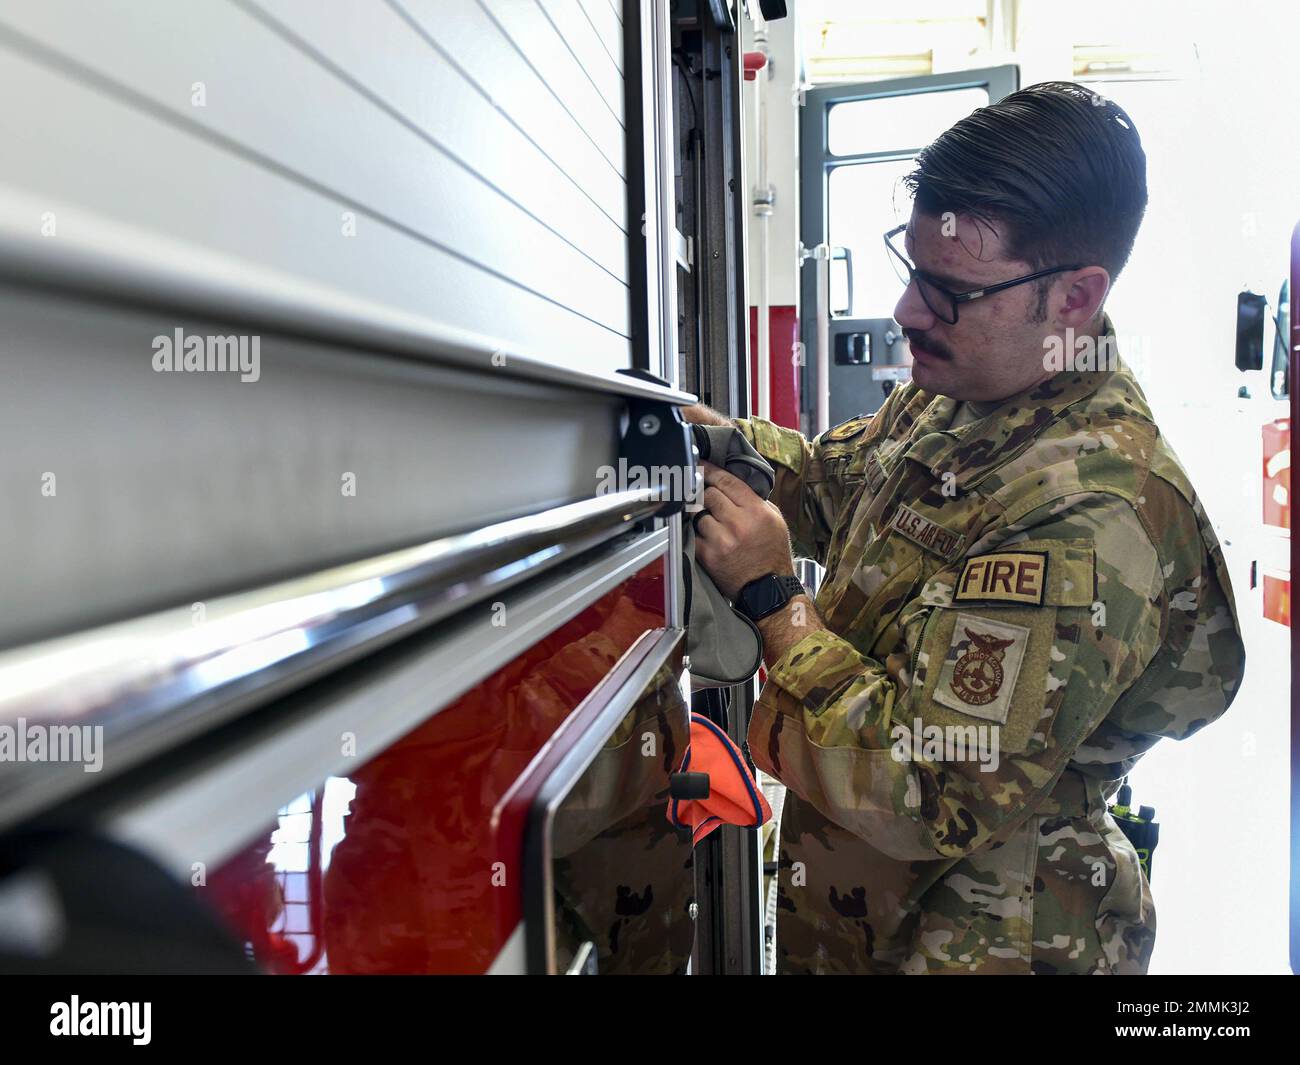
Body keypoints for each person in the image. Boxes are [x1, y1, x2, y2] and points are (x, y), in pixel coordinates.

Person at [684, 81, 1245, 974]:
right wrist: (702, 440)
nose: (909, 313)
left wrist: (775, 604)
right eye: (912, 272)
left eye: (949, 292)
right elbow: (831, 485)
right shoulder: (961, 401)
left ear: (1073, 297)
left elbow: (929, 787)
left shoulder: (1092, 510)